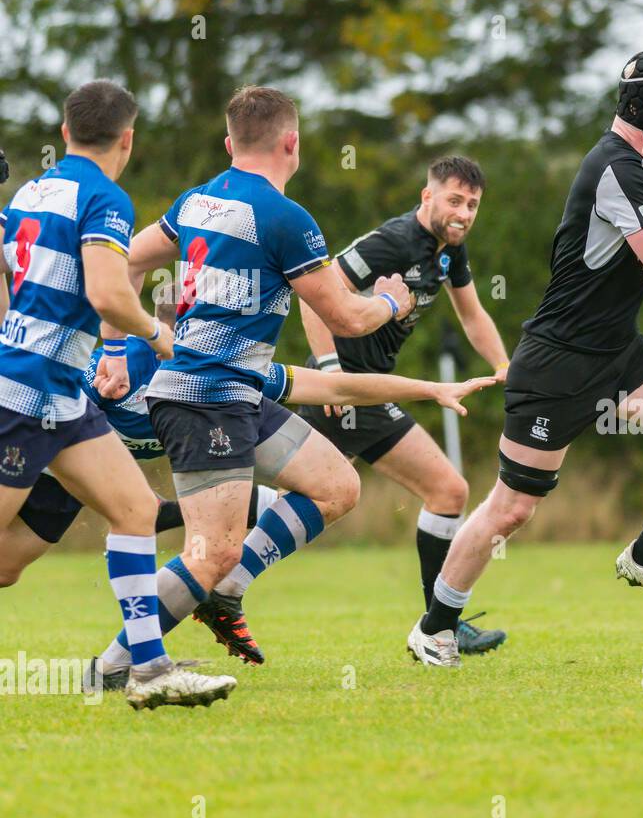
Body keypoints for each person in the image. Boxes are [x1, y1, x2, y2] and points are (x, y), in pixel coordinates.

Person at [412, 51, 643, 668]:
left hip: (618, 352)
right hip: (557, 365)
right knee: (511, 508)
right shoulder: (617, 170)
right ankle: (434, 627)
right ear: (642, 107)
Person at [0, 282, 494, 685]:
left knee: (334, 487)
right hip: (54, 453)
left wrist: (430, 389)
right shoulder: (121, 362)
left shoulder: (228, 365)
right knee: (7, 567)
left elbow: (336, 387)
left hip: (125, 467)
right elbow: (50, 389)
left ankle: (119, 663)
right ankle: (136, 644)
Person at [108, 85, 418, 668]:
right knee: (210, 551)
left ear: (230, 143)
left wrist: (121, 344)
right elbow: (348, 318)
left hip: (239, 393)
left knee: (336, 487)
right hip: (207, 398)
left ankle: (225, 591)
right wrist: (392, 303)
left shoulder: (197, 200)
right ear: (292, 142)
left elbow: (121, 260)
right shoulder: (285, 218)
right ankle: (117, 665)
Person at [0, 79, 234, 709]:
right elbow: (107, 294)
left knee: (134, 510)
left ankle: (149, 671)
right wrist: (159, 335)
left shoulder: (29, 190)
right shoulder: (105, 198)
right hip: (26, 394)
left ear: (64, 132)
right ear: (127, 138)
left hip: (62, 396)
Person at [298, 156, 509, 655]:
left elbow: (473, 314)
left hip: (370, 389)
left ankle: (440, 624)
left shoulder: (449, 251)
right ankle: (439, 625)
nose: (463, 213)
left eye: (473, 205)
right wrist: (331, 371)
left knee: (311, 501)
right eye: (454, 201)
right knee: (443, 490)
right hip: (346, 391)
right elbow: (313, 298)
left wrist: (506, 366)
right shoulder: (391, 242)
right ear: (427, 197)